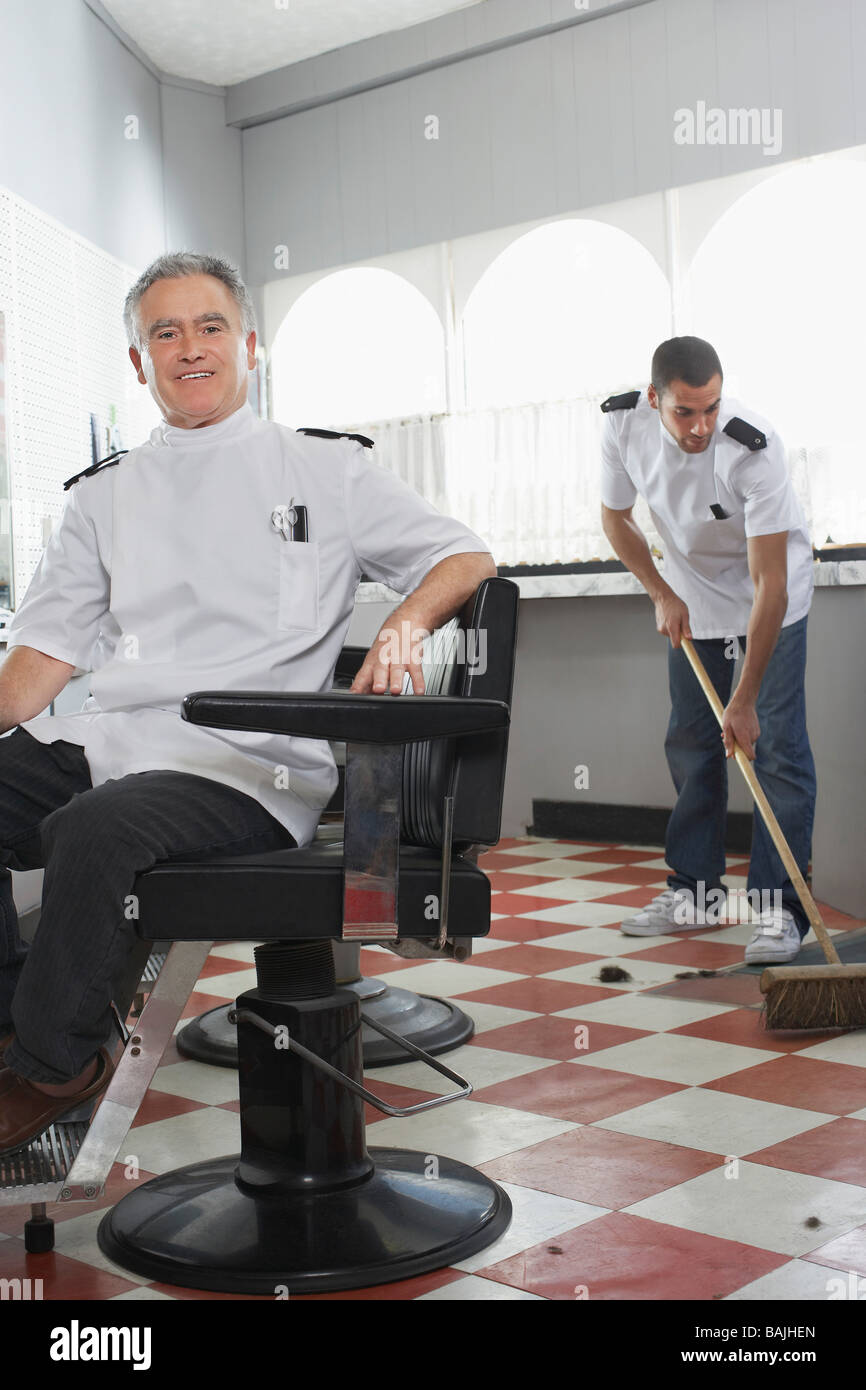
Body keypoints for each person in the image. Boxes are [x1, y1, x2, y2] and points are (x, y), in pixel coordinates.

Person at [0, 252, 496, 1155]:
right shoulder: (102, 497)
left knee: (93, 830)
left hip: (248, 759)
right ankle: (13, 1018)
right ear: (139, 361)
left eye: (210, 326)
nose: (190, 347)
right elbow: (40, 661)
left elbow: (463, 557)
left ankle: (51, 1067)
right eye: (165, 332)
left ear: (250, 345)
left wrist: (405, 625)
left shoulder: (325, 470)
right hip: (113, 738)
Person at [600, 336, 816, 963]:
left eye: (712, 408)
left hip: (770, 595)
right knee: (694, 743)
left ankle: (780, 911)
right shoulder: (621, 424)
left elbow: (770, 586)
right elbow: (616, 518)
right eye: (685, 412)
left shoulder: (753, 449)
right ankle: (695, 894)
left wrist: (744, 700)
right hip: (693, 594)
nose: (701, 426)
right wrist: (661, 593)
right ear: (654, 399)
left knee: (776, 749)